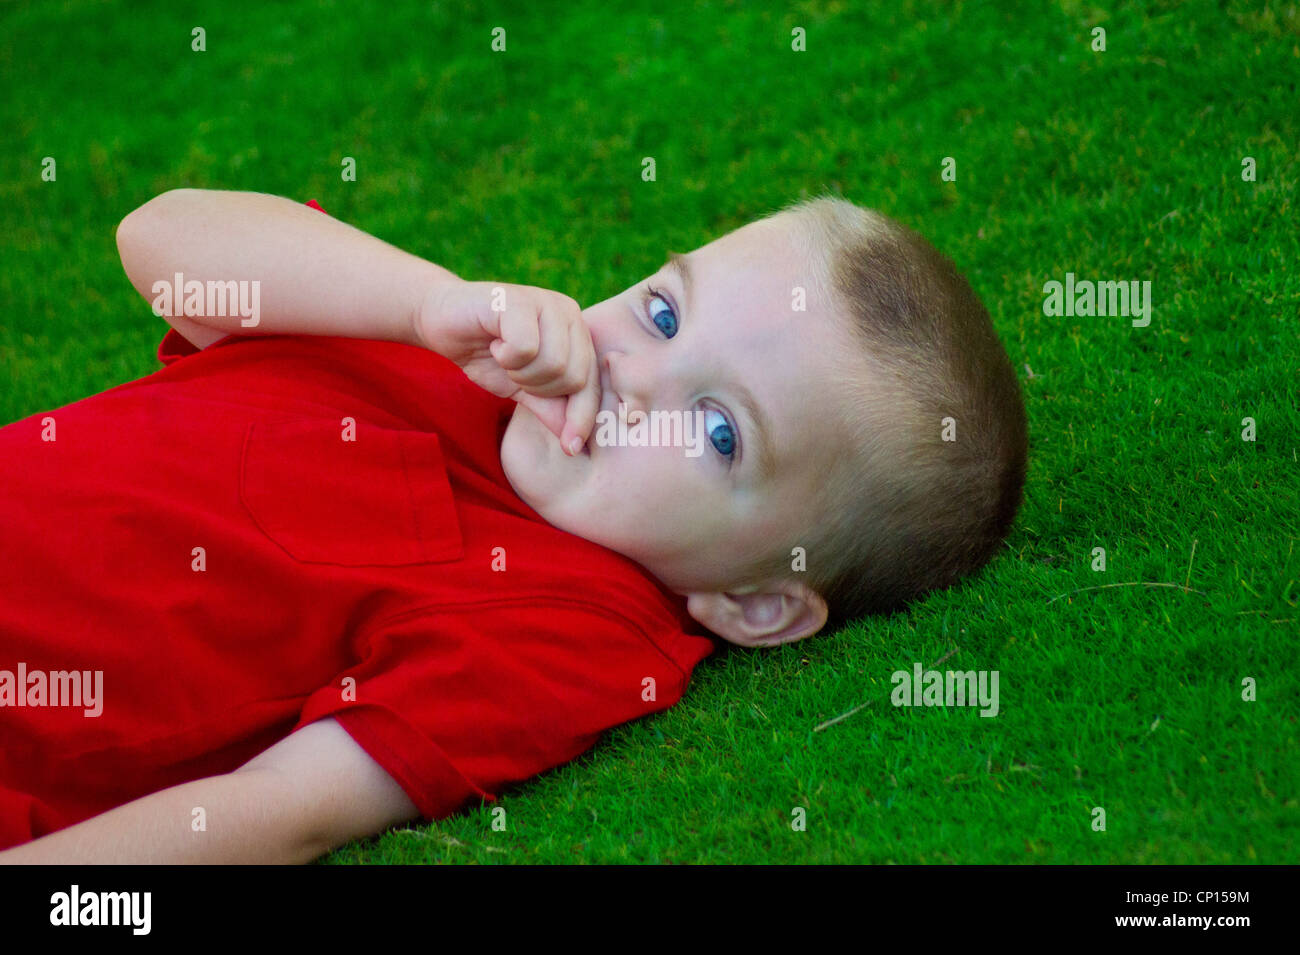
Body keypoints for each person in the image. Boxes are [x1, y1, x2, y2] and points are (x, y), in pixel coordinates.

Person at [0, 188, 1026, 862]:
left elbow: (277, 812)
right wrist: (422, 302)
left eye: (717, 430)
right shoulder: (443, 338)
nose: (634, 373)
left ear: (755, 602)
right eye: (665, 314)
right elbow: (160, 242)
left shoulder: (575, 630)